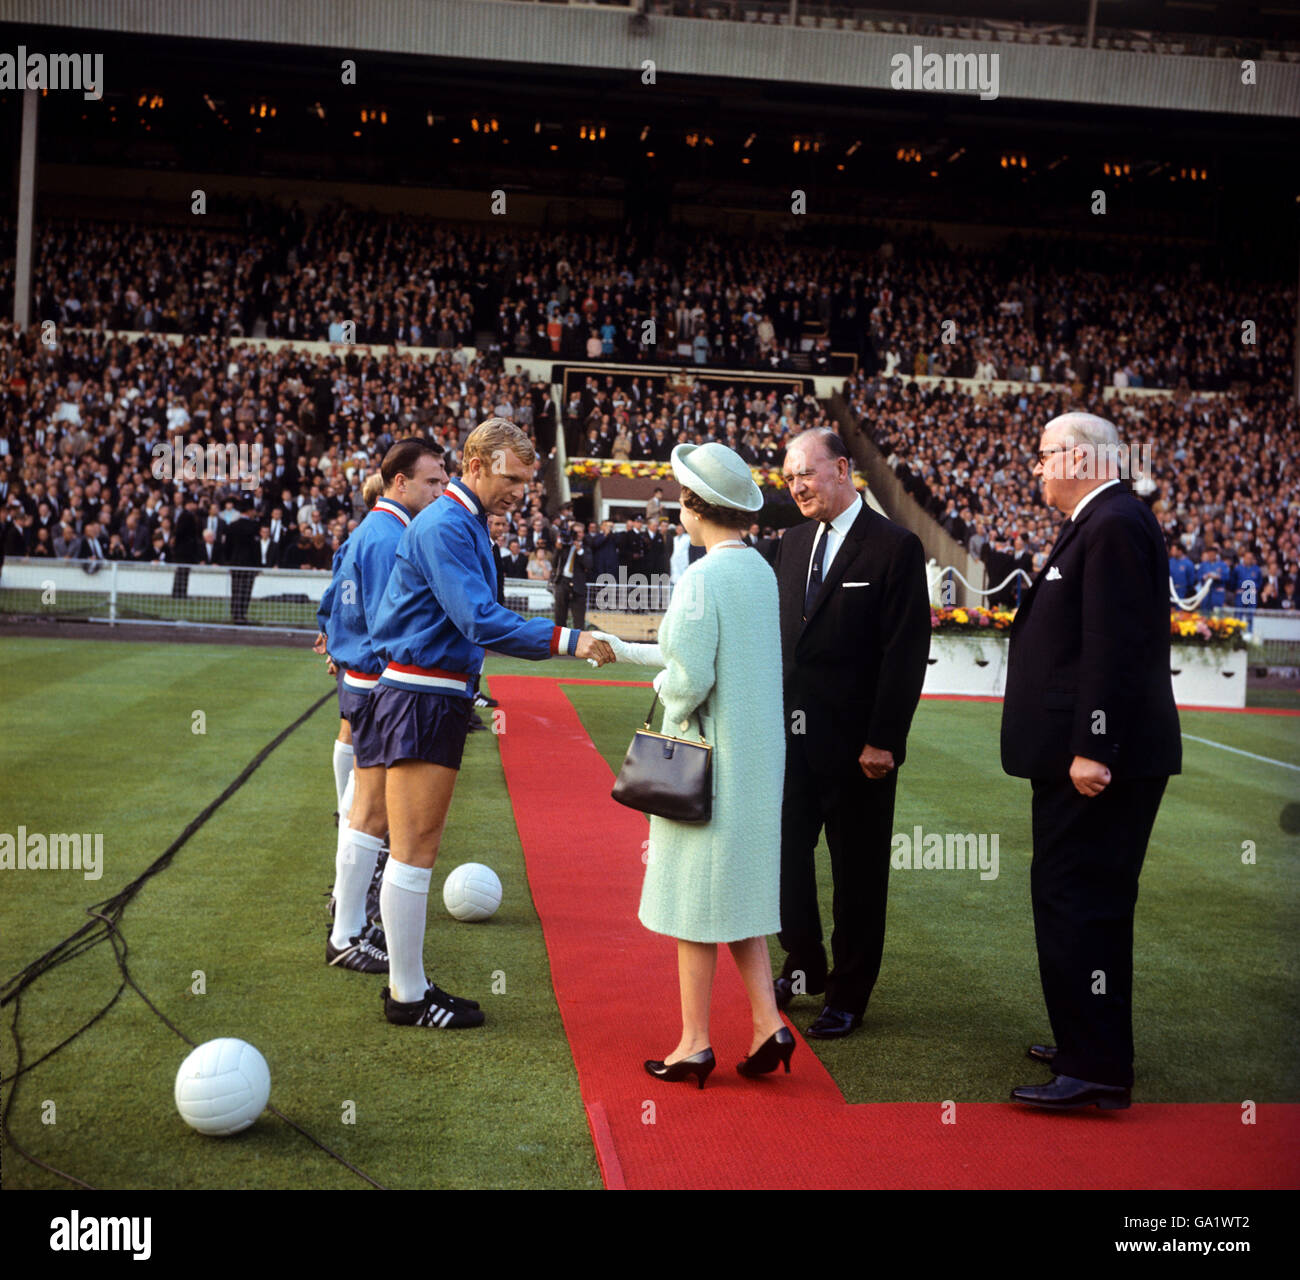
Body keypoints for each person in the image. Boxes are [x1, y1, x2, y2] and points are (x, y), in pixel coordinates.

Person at [367, 419, 613, 1031]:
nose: (520, 492)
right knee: (414, 852)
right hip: (421, 695)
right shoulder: (448, 524)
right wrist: (570, 639)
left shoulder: (461, 521)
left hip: (432, 694)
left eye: (527, 481)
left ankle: (411, 986)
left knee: (415, 849)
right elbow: (481, 620)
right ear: (477, 464)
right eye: (513, 478)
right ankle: (407, 995)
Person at [594, 441, 791, 1087]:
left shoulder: (703, 577)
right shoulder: (757, 570)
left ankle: (695, 1044)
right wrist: (623, 651)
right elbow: (713, 660)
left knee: (694, 909)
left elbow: (687, 680)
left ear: (691, 505)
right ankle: (767, 1024)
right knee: (739, 904)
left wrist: (661, 693)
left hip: (710, 768)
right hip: (757, 764)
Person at [1002, 412, 1180, 1111]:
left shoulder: (1111, 523)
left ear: (1079, 456)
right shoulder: (1105, 520)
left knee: (1084, 903)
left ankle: (1098, 1068)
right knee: (1074, 899)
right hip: (1088, 757)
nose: (1038, 467)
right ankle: (1085, 1039)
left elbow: (1114, 644)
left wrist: (1093, 747)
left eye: (1045, 455)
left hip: (1102, 761)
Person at [768, 427, 930, 1039]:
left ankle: (849, 993)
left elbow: (905, 650)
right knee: (784, 858)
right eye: (789, 479)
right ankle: (804, 965)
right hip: (790, 742)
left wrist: (884, 739)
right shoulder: (789, 542)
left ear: (841, 468)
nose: (798, 487)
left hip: (861, 749)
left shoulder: (895, 547)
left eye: (805, 474)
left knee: (858, 873)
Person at [320, 440, 447, 975]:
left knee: (365, 812)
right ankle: (347, 930)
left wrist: (332, 639)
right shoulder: (391, 535)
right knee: (369, 814)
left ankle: (348, 924)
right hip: (378, 685)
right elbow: (387, 621)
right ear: (400, 482)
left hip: (362, 680)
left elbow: (332, 596)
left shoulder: (367, 529)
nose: (441, 492)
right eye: (432, 483)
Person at [551, 521, 594, 632]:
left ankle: (577, 643)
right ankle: (560, 642)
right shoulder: (565, 546)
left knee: (578, 619)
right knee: (560, 616)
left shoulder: (587, 548)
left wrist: (579, 550)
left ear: (583, 534)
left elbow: (589, 565)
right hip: (563, 582)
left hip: (578, 585)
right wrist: (558, 549)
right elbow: (554, 563)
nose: (578, 534)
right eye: (575, 532)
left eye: (580, 532)